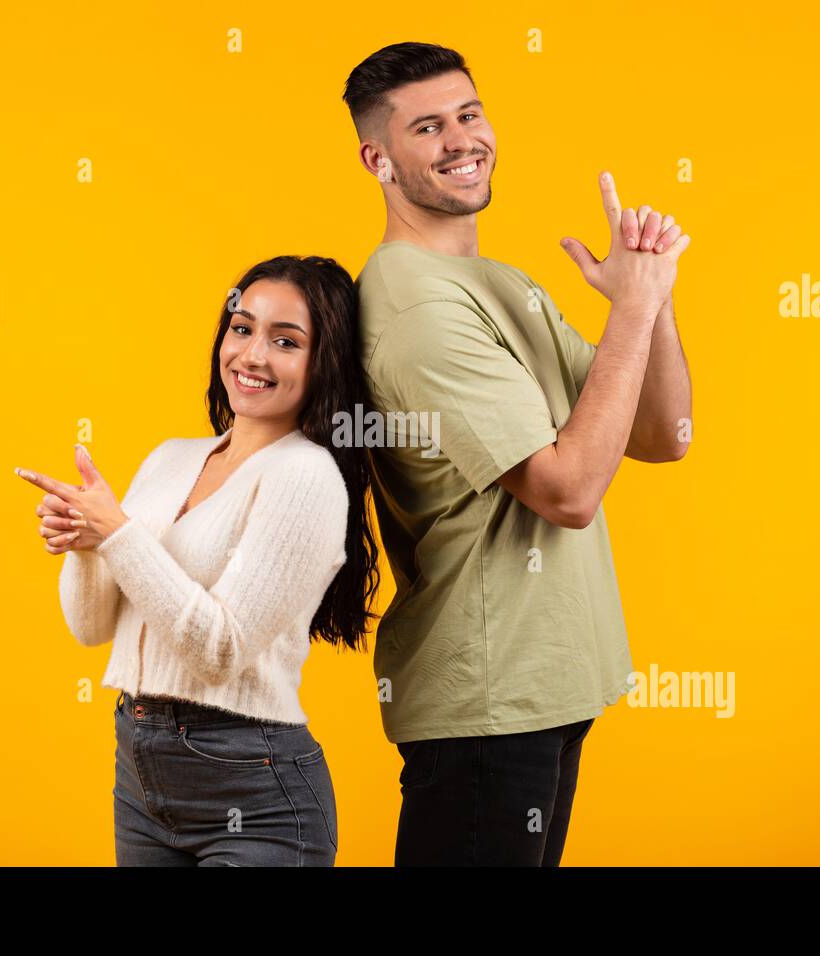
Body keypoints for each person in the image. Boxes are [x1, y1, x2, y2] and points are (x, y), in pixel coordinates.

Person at [342, 42, 694, 865]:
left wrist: (652, 297)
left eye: (469, 114)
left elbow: (660, 435)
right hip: (487, 699)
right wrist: (629, 313)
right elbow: (569, 491)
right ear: (377, 159)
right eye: (427, 127)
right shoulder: (416, 308)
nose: (461, 139)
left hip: (545, 689)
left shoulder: (500, 282)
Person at [14, 255, 380, 866]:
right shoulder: (170, 459)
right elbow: (91, 627)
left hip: (254, 789)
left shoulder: (306, 476)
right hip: (139, 775)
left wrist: (118, 535)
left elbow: (219, 651)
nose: (253, 355)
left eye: (286, 341)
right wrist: (87, 545)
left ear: (326, 362)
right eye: (242, 328)